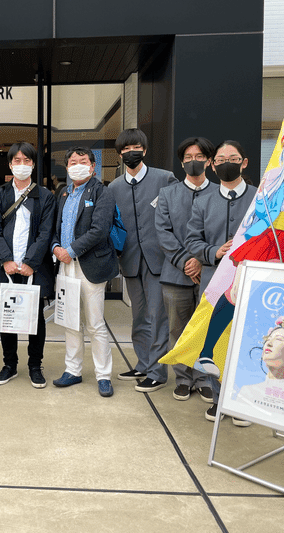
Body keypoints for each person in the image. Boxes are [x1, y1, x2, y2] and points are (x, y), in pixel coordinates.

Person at [185, 139, 256, 423]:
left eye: (233, 157)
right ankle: (218, 398)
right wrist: (214, 251)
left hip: (250, 281)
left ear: (244, 162)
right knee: (215, 341)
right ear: (212, 166)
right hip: (215, 281)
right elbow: (192, 239)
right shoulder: (203, 201)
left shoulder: (259, 198)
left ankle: (241, 401)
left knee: (246, 340)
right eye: (221, 158)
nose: (227, 162)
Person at [108, 128, 178, 393]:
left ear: (144, 150)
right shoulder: (114, 187)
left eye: (135, 148)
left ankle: (158, 372)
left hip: (159, 260)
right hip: (130, 260)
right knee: (138, 316)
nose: (130, 153)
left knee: (157, 316)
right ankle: (143, 362)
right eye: (125, 150)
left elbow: (177, 217)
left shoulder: (165, 179)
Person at [51, 147, 118, 397]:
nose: (77, 165)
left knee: (95, 323)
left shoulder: (102, 192)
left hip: (90, 265)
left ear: (92, 167)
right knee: (70, 321)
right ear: (67, 168)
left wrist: (71, 250)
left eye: (83, 161)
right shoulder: (64, 193)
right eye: (72, 162)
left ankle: (103, 375)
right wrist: (56, 247)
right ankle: (73, 370)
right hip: (65, 265)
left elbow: (99, 230)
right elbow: (55, 227)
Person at [0, 142, 55, 388]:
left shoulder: (45, 195)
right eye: (17, 161)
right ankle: (10, 365)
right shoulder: (0, 194)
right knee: (9, 318)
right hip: (6, 268)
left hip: (32, 269)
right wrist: (5, 260)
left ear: (33, 164)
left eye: (27, 160)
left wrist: (31, 263)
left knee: (35, 320)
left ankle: (35, 366)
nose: (22, 165)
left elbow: (46, 233)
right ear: (10, 164)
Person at [154, 136, 215, 403]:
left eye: (199, 156)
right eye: (188, 157)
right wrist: (186, 262)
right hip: (175, 275)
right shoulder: (168, 194)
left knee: (205, 329)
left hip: (210, 274)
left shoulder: (218, 194)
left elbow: (223, 232)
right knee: (177, 330)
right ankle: (182, 378)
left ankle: (203, 378)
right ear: (181, 162)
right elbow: (163, 232)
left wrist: (201, 260)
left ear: (209, 161)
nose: (194, 161)